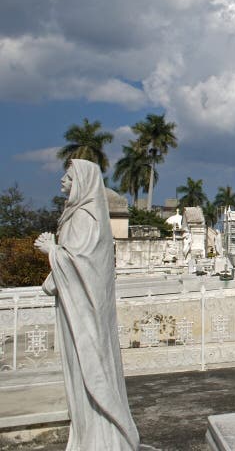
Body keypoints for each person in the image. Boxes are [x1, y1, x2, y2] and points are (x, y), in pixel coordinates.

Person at [34, 159, 140, 450]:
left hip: (86, 313)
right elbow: (76, 263)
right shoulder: (78, 215)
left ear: (81, 183)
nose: (62, 181)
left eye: (68, 177)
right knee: (81, 375)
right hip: (77, 307)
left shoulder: (85, 218)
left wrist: (51, 250)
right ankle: (90, 438)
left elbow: (80, 263)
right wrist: (57, 255)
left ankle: (102, 439)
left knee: (91, 371)